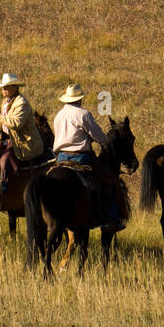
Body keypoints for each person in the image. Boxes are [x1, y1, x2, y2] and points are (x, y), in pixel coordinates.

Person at [52, 82, 123, 232]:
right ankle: (110, 220)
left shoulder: (59, 115)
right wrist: (103, 141)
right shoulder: (83, 114)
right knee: (110, 181)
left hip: (60, 158)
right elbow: (98, 135)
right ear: (80, 99)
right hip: (81, 157)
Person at [0, 73, 40, 200]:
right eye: (2, 87)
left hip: (24, 141)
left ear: (15, 87)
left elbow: (16, 123)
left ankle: (4, 186)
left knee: (5, 158)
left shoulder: (22, 103)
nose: (3, 90)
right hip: (10, 138)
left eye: (6, 87)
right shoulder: (6, 101)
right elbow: (3, 120)